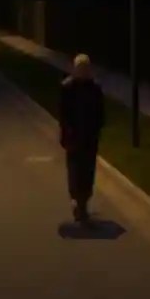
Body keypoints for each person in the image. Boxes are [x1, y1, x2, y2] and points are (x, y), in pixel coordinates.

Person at [59, 53, 105, 224]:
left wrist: (97, 130)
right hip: (73, 137)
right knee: (74, 170)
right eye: (80, 68)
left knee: (88, 171)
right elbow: (63, 114)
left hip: (90, 138)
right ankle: (77, 200)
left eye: (86, 68)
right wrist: (65, 134)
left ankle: (83, 203)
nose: (83, 71)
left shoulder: (95, 88)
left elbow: (100, 113)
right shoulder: (67, 88)